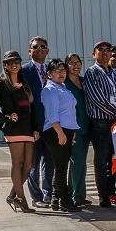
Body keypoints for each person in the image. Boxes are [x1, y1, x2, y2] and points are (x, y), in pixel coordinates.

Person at [0, 51, 39, 213]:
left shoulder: (24, 81)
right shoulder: (0, 82)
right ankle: (22, 200)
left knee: (28, 165)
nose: (14, 64)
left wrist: (35, 127)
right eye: (10, 62)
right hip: (14, 127)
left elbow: (32, 106)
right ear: (5, 65)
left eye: (17, 61)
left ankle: (12, 195)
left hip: (28, 126)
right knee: (17, 163)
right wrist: (5, 117)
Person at [84, 40, 116, 208]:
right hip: (101, 123)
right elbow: (95, 98)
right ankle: (103, 196)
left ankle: (112, 193)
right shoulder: (92, 72)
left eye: (107, 50)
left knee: (114, 159)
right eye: (100, 50)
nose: (105, 53)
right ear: (94, 54)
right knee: (101, 161)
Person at [41, 58, 80, 211]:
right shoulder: (50, 89)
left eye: (63, 70)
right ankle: (65, 201)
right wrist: (61, 133)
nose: (61, 73)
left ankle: (57, 199)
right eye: (57, 71)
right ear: (49, 74)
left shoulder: (62, 87)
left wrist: (72, 131)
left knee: (62, 166)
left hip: (66, 131)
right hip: (56, 131)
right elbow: (52, 115)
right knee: (61, 166)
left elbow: (69, 112)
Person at [21, 36, 52, 207]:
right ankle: (36, 198)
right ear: (30, 51)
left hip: (51, 124)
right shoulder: (24, 71)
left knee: (50, 161)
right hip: (33, 125)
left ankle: (48, 194)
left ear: (47, 50)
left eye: (43, 46)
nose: (39, 49)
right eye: (35, 46)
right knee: (33, 163)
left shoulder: (52, 69)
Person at [64, 53, 91, 206]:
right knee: (79, 161)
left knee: (78, 163)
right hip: (72, 128)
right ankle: (78, 196)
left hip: (86, 126)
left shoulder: (83, 81)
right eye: (71, 62)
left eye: (78, 62)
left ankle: (71, 192)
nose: (75, 65)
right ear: (66, 65)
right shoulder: (64, 83)